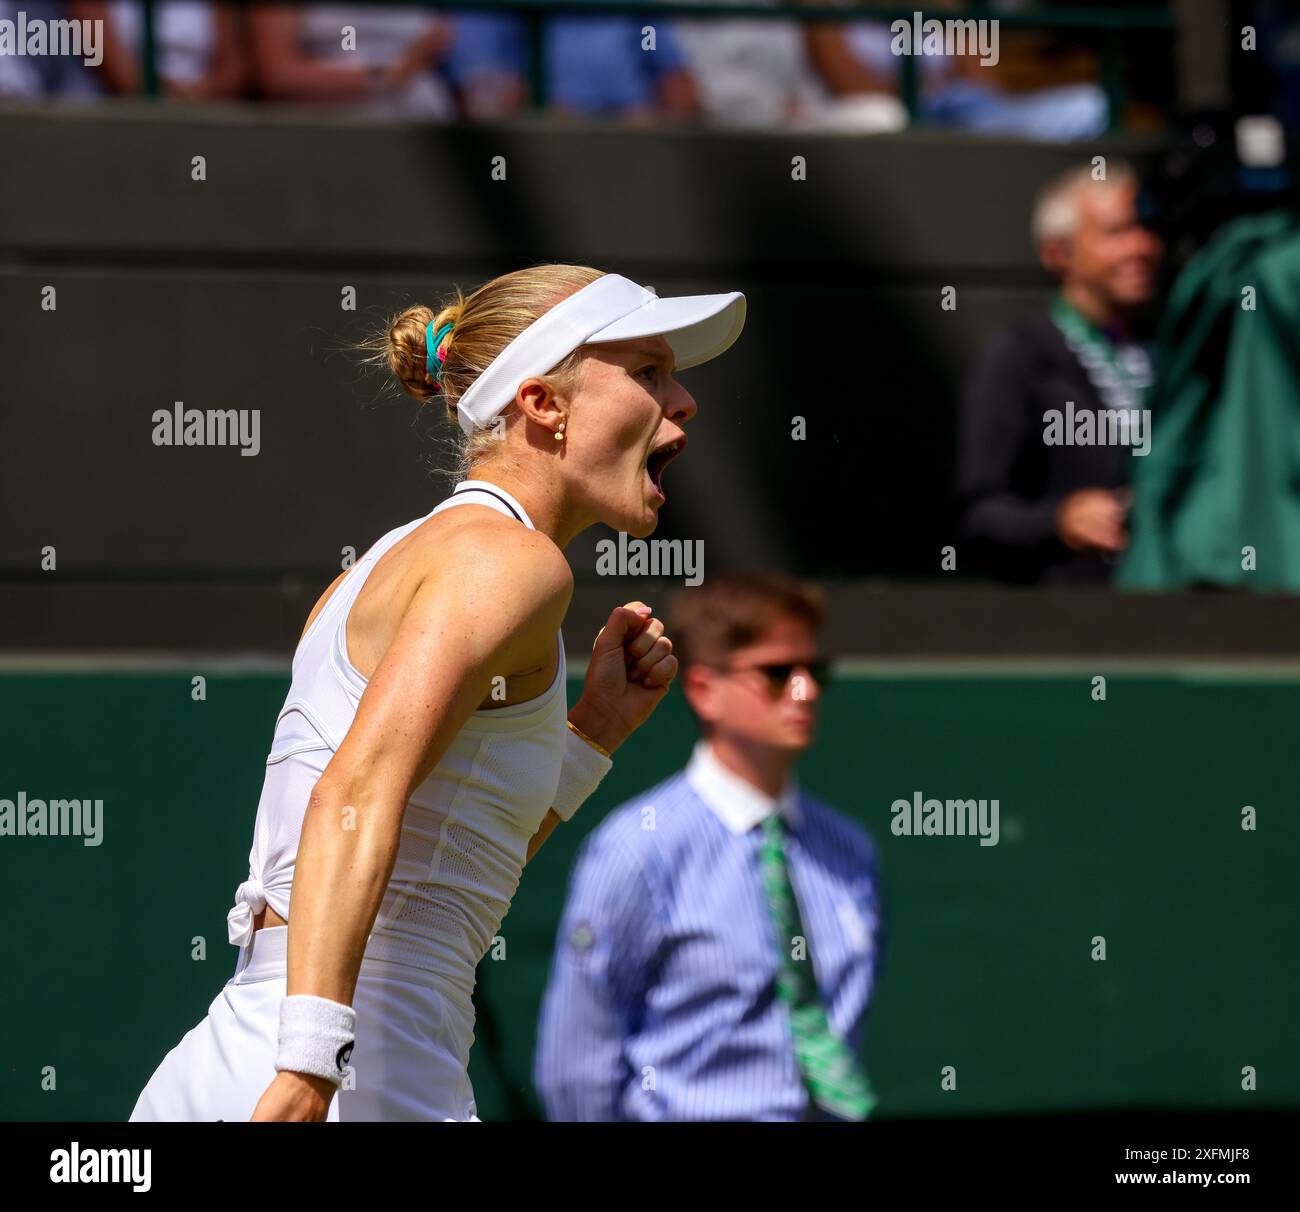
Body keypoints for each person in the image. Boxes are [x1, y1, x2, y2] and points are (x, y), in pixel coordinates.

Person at [129, 264, 747, 1121]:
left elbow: (441, 872)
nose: (683, 403)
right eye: (647, 373)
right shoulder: (512, 562)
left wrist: (590, 734)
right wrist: (311, 1068)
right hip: (352, 1074)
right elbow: (354, 790)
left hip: (246, 1054)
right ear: (543, 404)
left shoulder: (398, 558)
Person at [535, 571, 883, 1121]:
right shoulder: (635, 850)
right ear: (704, 690)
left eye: (813, 670)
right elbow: (576, 1068)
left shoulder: (849, 850)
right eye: (776, 673)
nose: (806, 690)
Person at [957, 161, 1164, 584]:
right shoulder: (1020, 357)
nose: (1141, 247)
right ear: (1058, 253)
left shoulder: (1175, 351)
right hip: (1073, 623)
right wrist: (1060, 521)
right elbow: (979, 513)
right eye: (1116, 233)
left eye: (1145, 228)